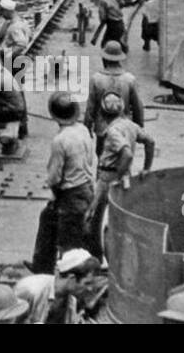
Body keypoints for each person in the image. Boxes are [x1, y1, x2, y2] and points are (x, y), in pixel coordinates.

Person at [32, 92, 95, 273]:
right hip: (86, 188)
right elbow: (90, 158)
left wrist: (53, 191)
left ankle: (61, 277)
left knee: (68, 239)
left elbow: (54, 176)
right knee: (47, 218)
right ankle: (41, 265)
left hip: (69, 194)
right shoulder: (83, 130)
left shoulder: (60, 140)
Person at [87, 91, 156, 254]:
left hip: (108, 177)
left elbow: (126, 153)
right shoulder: (131, 125)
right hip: (125, 176)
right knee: (118, 216)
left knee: (94, 216)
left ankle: (97, 255)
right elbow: (150, 141)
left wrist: (116, 176)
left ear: (102, 113)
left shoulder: (113, 131)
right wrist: (147, 167)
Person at [14, 249, 107, 324]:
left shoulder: (72, 300)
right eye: (87, 283)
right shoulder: (30, 290)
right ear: (71, 277)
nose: (90, 289)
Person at [83, 41, 145, 153]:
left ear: (104, 59)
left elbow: (90, 107)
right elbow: (137, 107)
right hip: (124, 129)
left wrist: (87, 128)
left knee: (103, 160)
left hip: (102, 129)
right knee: (124, 158)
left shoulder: (96, 79)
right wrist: (138, 127)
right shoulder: (129, 79)